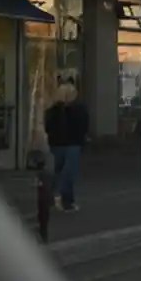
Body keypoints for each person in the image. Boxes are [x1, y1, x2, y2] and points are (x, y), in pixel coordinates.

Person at [45, 83, 88, 212]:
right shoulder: (79, 109)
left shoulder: (52, 110)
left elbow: (48, 127)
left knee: (56, 171)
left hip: (56, 144)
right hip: (73, 143)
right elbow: (84, 125)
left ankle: (52, 197)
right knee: (69, 173)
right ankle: (65, 199)